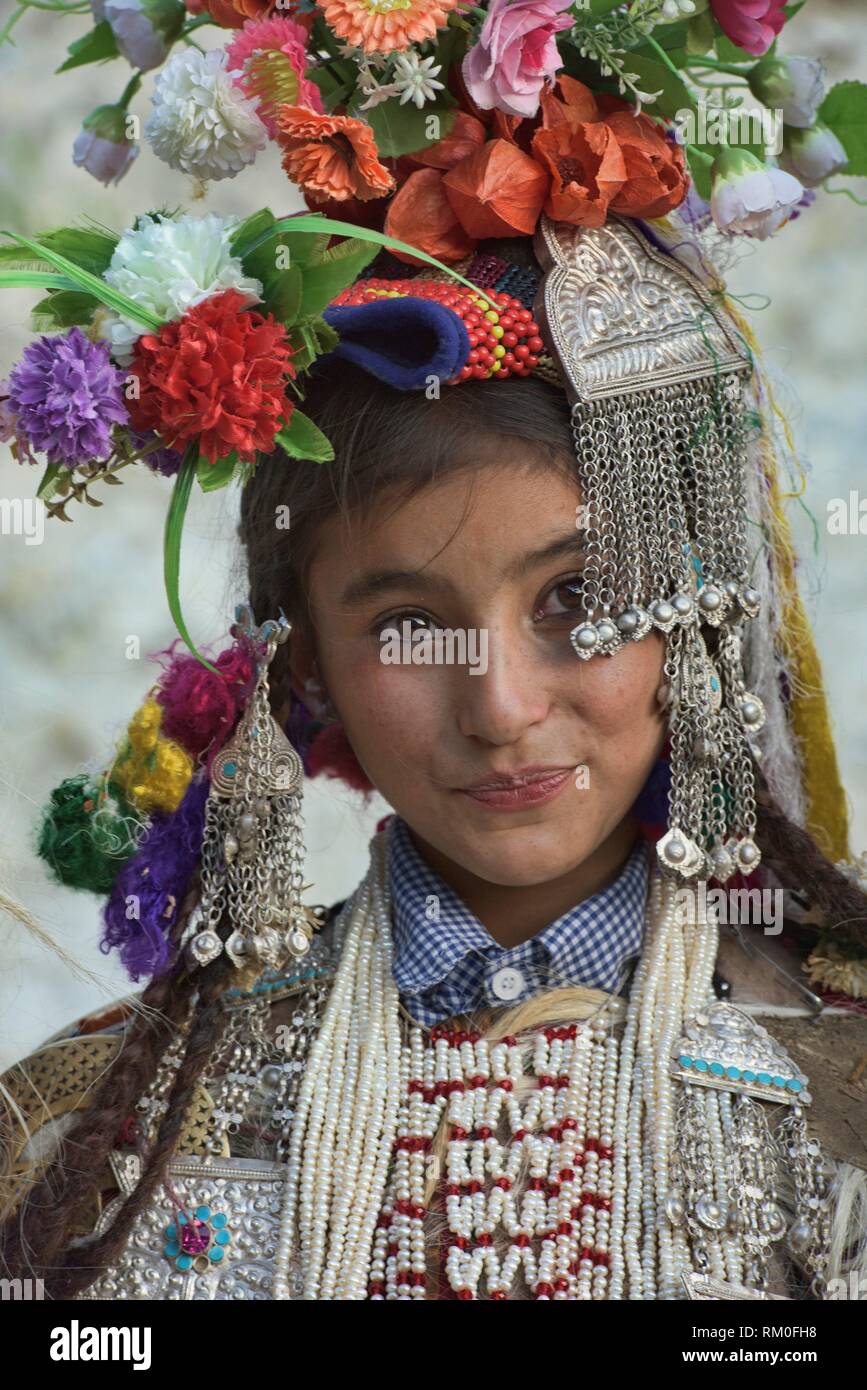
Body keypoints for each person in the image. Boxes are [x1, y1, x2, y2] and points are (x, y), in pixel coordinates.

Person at [1, 216, 866, 1303]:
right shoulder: (91, 1154)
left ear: (692, 613)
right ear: (303, 666)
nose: (500, 709)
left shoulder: (842, 1091)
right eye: (412, 627)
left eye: (577, 600)